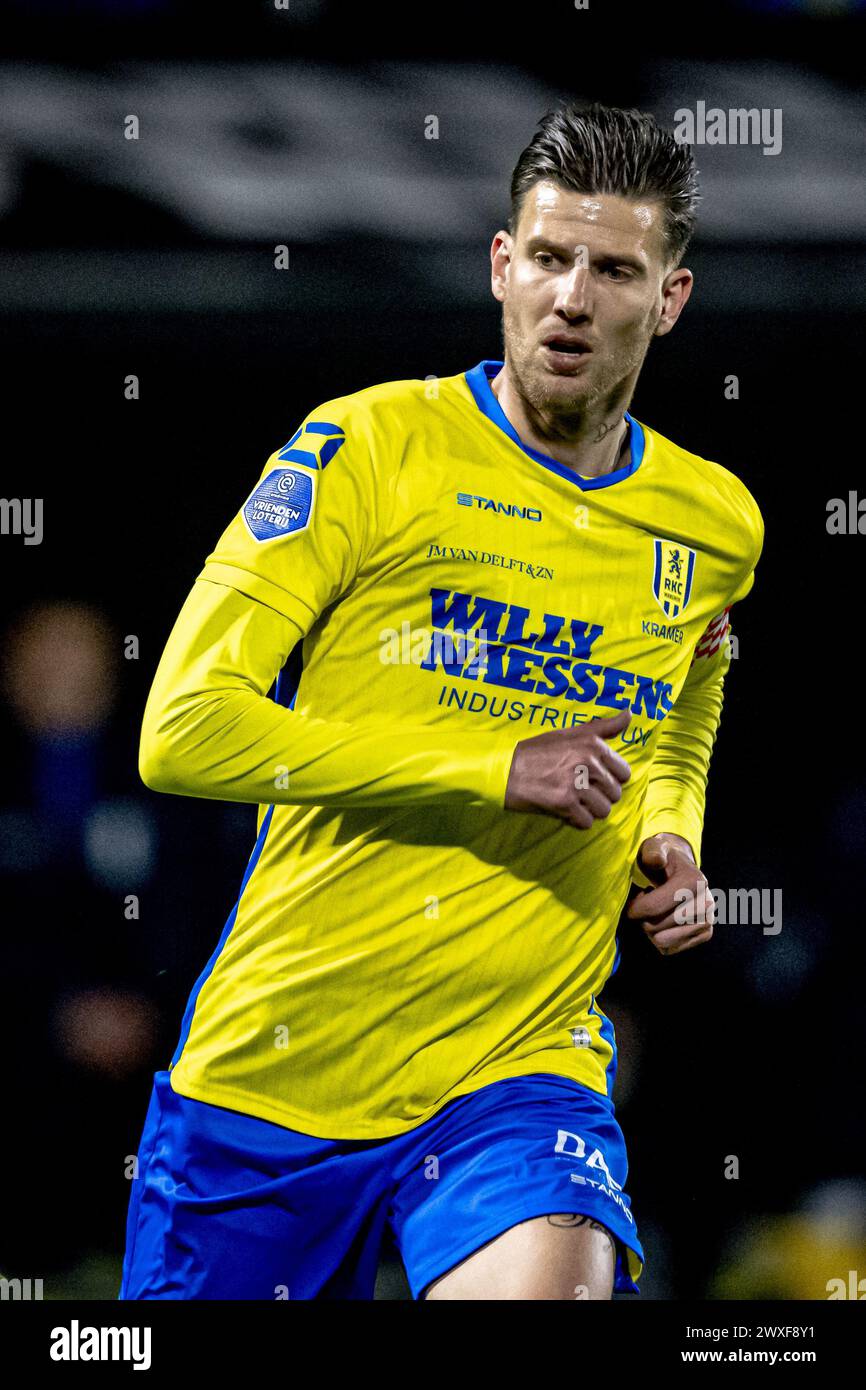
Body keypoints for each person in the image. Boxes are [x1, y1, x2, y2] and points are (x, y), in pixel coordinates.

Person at [119, 101, 763, 1301]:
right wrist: (485, 766)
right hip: (278, 1065)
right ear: (500, 266)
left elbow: (690, 689)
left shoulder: (713, 521)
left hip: (518, 1069)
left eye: (613, 268)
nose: (572, 297)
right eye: (549, 258)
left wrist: (670, 826)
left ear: (668, 299)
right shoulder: (364, 449)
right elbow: (183, 730)